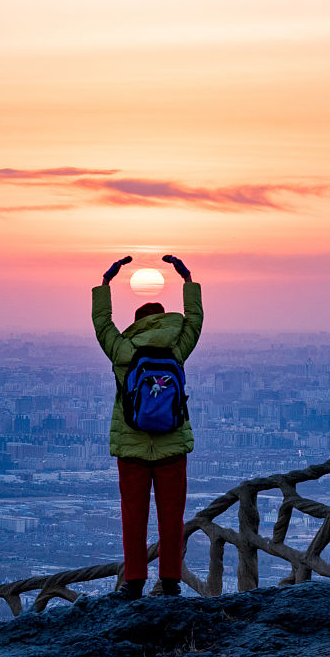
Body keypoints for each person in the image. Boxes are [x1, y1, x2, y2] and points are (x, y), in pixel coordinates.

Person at [93, 254, 202, 599]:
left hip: (132, 445)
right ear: (164, 319)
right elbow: (195, 320)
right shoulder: (177, 347)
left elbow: (102, 323)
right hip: (171, 443)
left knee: (133, 516)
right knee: (172, 518)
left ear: (138, 322)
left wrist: (105, 284)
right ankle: (170, 581)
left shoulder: (123, 349)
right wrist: (188, 280)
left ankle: (134, 582)